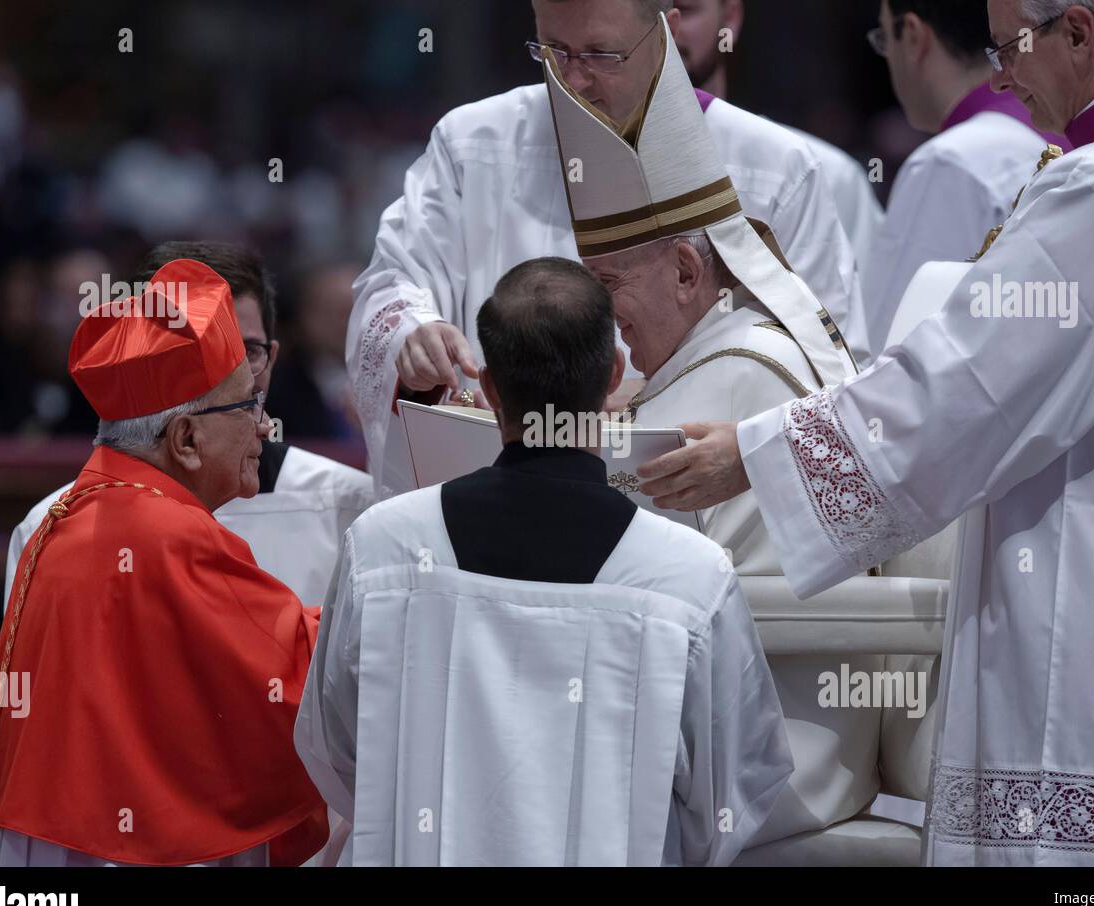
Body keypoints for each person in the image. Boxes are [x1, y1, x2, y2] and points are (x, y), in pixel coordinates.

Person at [638, 0, 1094, 866]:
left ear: (1076, 32)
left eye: (1008, 48)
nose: (996, 74)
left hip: (1090, 605)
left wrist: (755, 458)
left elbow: (956, 388)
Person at [297, 257, 792, 866]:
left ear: (491, 388)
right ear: (613, 375)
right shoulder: (687, 576)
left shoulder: (384, 546)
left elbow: (333, 745)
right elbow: (734, 790)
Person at [545, 20, 879, 843]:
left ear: (690, 271)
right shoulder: (723, 351)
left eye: (609, 283)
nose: (600, 314)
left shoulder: (739, 372)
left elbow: (603, 550)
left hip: (775, 742)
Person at [348, 0, 863, 495]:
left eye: (601, 54)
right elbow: (391, 282)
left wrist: (653, 406)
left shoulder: (773, 169)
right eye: (553, 50)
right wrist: (412, 336)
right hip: (490, 490)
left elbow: (824, 368)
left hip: (685, 510)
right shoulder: (472, 145)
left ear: (666, 31)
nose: (572, 79)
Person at [0, 259, 327, 867]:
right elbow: (300, 677)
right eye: (245, 407)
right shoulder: (168, 532)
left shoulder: (69, 514)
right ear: (184, 439)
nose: (264, 426)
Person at [4, 242, 374, 608]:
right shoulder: (47, 528)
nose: (233, 373)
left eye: (248, 352)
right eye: (198, 351)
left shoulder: (352, 509)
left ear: (273, 357)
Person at [862, 0, 1063, 359]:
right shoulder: (1062, 130)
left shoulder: (949, 163)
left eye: (882, 40)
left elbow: (887, 353)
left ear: (911, 35)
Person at [673, 0, 885, 271]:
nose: (668, 26)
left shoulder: (828, 176)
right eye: (650, 13)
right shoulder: (603, 167)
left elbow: (863, 311)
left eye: (685, 10)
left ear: (730, 17)